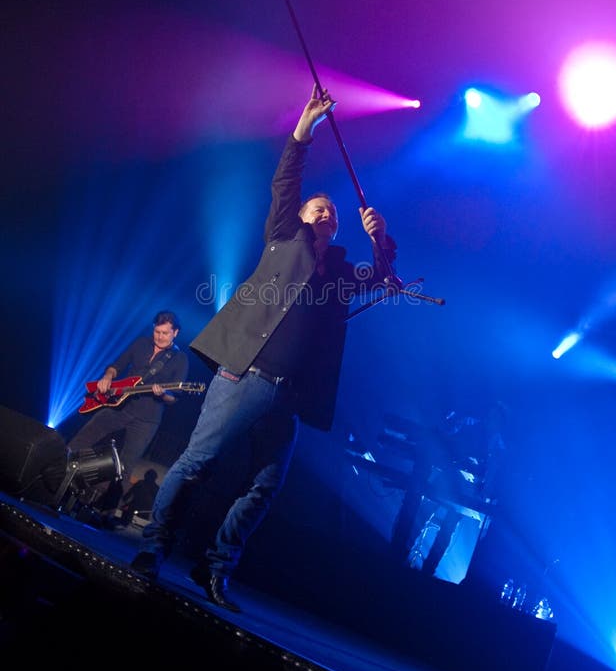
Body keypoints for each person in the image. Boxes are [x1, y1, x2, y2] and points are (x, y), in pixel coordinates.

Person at [130, 85, 397, 611]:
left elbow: (387, 279)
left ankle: (216, 569)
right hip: (243, 377)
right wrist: (305, 129)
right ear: (301, 217)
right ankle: (153, 550)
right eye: (317, 209)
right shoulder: (282, 238)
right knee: (198, 462)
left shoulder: (341, 271)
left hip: (290, 397)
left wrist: (380, 238)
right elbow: (286, 182)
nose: (325, 215)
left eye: (332, 214)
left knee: (263, 488)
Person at [67, 310, 189, 516]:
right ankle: (55, 472)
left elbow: (174, 398)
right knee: (81, 440)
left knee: (125, 466)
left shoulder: (180, 359)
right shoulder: (140, 343)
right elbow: (116, 366)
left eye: (165, 333)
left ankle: (105, 513)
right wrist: (107, 377)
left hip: (147, 420)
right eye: (157, 332)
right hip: (118, 407)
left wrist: (163, 393)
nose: (159, 337)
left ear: (175, 333)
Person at [401, 401, 509, 579]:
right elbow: (452, 443)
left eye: (495, 417)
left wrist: (484, 489)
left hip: (466, 491)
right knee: (424, 513)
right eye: (491, 414)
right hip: (447, 479)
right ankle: (403, 553)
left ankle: (429, 569)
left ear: (501, 423)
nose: (490, 419)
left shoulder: (499, 447)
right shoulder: (473, 428)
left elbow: (492, 474)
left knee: (447, 528)